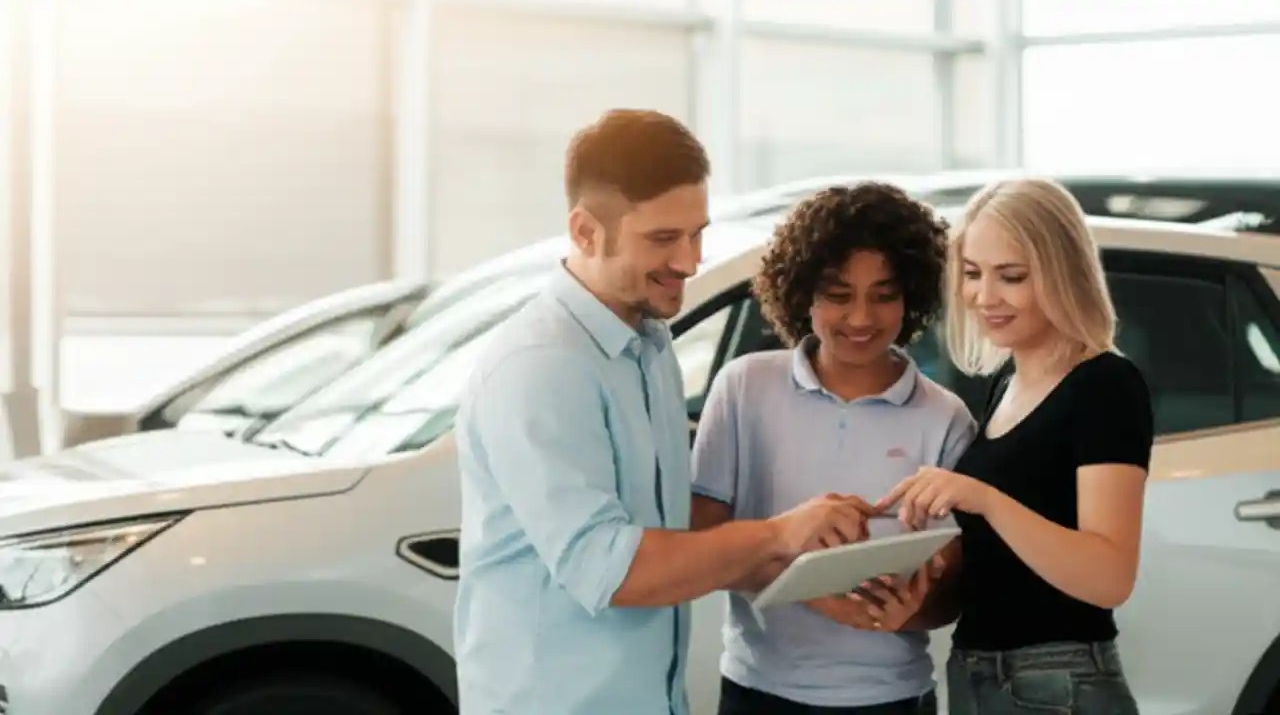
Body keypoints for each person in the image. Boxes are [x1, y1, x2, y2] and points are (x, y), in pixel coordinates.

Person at [453, 109, 874, 715]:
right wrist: (780, 532)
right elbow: (613, 570)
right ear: (585, 231)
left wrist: (800, 574)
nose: (689, 261)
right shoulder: (542, 365)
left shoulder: (647, 347)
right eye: (663, 239)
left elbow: (671, 543)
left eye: (696, 233)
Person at [691, 183, 977, 715]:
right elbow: (701, 541)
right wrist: (804, 587)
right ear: (804, 294)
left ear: (911, 295)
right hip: (759, 693)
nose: (862, 318)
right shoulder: (745, 387)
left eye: (884, 294)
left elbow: (956, 589)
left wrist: (910, 612)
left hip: (893, 699)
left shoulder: (945, 419)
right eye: (839, 295)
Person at [877, 178, 1153, 714]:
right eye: (973, 273)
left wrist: (982, 497)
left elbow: (1109, 576)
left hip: (1057, 683)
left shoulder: (1105, 384)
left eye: (1012, 276)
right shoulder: (1007, 384)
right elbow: (1010, 568)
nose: (984, 296)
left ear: (1063, 273)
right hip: (981, 675)